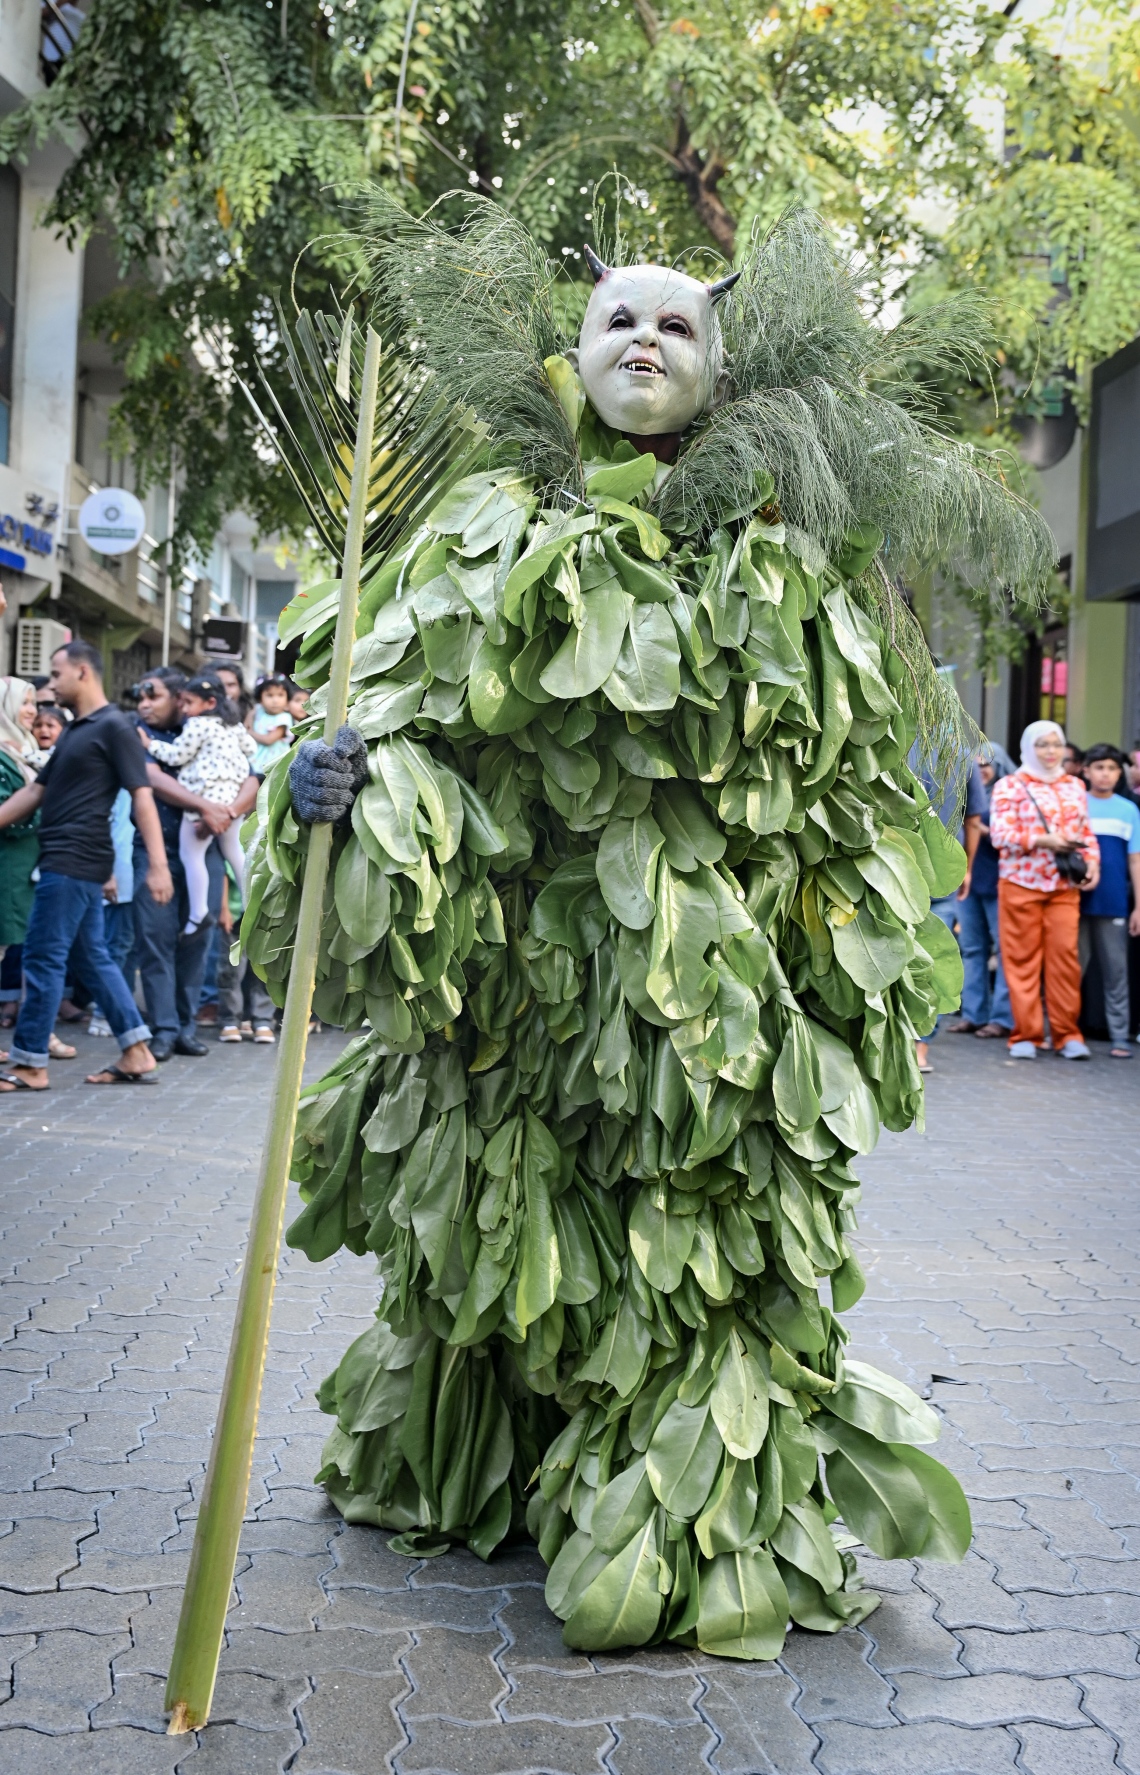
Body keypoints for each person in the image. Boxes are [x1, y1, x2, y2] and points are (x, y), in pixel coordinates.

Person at [0, 641, 173, 1091]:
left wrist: (158, 865)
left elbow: (142, 795)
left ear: (82, 672)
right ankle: (137, 1051)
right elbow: (35, 792)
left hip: (73, 859)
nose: (49, 685)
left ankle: (30, 1064)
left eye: (55, 675)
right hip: (68, 858)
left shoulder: (115, 726)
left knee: (42, 957)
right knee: (91, 957)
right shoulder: (78, 731)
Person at [131, 670, 258, 1061]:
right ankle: (164, 1029)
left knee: (197, 938)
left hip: (208, 847)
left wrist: (228, 812)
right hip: (157, 853)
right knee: (155, 941)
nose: (144, 705)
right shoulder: (138, 734)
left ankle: (185, 1027)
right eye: (141, 697)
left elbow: (253, 778)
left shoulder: (214, 727)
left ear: (178, 697)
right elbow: (151, 777)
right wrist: (207, 807)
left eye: (154, 696)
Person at [989, 719, 1100, 1061]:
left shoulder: (1075, 786)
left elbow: (1085, 831)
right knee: (1021, 961)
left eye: (1056, 744)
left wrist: (1092, 862)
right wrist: (1041, 840)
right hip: (1020, 883)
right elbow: (1000, 835)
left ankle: (1067, 1035)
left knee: (1066, 960)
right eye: (1042, 745)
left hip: (1063, 886)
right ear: (1028, 748)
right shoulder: (1010, 785)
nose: (1051, 752)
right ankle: (1026, 1034)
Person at [141, 676, 256, 939]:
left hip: (204, 799)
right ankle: (252, 904)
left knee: (191, 856)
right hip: (231, 798)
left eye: (189, 703)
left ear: (210, 703)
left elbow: (176, 755)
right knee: (235, 853)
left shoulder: (197, 725)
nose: (183, 708)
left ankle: (198, 913)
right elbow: (250, 747)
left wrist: (149, 744)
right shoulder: (233, 727)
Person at [913, 751, 985, 1074]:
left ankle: (892, 1042)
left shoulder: (892, 734)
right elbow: (973, 819)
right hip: (943, 871)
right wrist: (965, 868)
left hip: (891, 863)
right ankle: (920, 1048)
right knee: (932, 960)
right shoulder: (959, 752)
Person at [947, 745, 1014, 1039]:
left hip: (1001, 882)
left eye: (989, 763)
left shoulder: (1010, 793)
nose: (983, 768)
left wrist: (974, 825)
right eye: (977, 763)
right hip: (968, 881)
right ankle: (973, 1014)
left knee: (1004, 950)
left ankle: (1002, 1018)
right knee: (972, 949)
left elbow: (1009, 836)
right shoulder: (959, 791)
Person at [1078, 743, 1140, 1059]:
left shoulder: (1128, 810)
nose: (1106, 774)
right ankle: (1067, 1033)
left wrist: (1139, 907)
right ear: (1086, 771)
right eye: (1099, 767)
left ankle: (1119, 1037)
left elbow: (1135, 861)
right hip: (1074, 899)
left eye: (1112, 768)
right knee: (1071, 970)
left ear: (1121, 773)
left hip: (1114, 901)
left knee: (1116, 971)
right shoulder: (1076, 803)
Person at [0, 678, 41, 1043]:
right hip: (6, 864)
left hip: (25, 866)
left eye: (33, 703)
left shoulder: (24, 748)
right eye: (24, 702)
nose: (31, 710)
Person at [215, 861, 276, 1044]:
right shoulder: (233, 836)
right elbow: (224, 871)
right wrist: (224, 908)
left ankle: (263, 1020)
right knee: (230, 969)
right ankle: (230, 1019)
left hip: (265, 914)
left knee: (264, 967)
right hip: (235, 914)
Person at [251, 673, 294, 774]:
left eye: (280, 695)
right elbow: (247, 723)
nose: (275, 700)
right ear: (260, 698)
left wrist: (250, 732)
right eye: (269, 695)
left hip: (274, 767)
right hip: (254, 762)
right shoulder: (258, 710)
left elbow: (269, 740)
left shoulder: (284, 718)